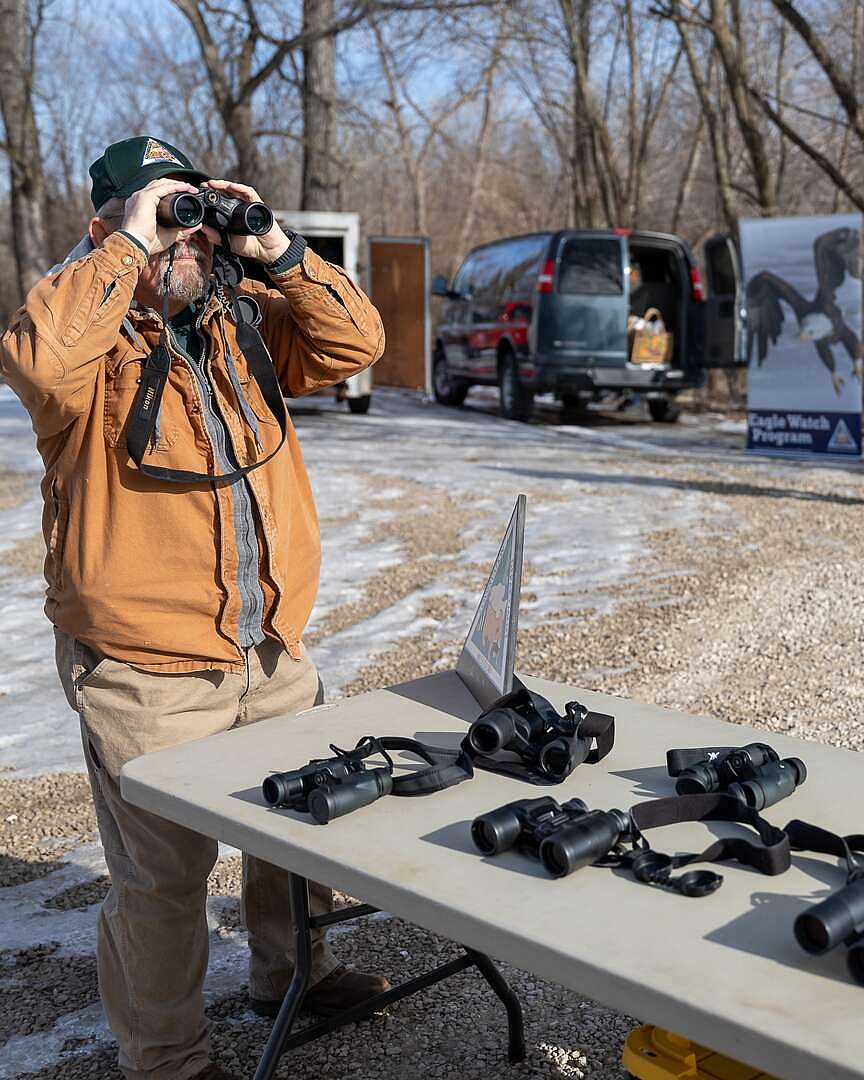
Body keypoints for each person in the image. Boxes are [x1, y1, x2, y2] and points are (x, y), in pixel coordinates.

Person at [0, 136, 387, 1080]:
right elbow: (36, 365)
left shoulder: (239, 318)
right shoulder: (87, 340)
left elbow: (359, 345)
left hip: (267, 642)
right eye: (170, 221)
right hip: (145, 663)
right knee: (166, 881)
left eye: (196, 223)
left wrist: (281, 253)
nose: (193, 243)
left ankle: (289, 975)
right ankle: (166, 1059)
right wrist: (133, 247)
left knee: (295, 833)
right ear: (109, 227)